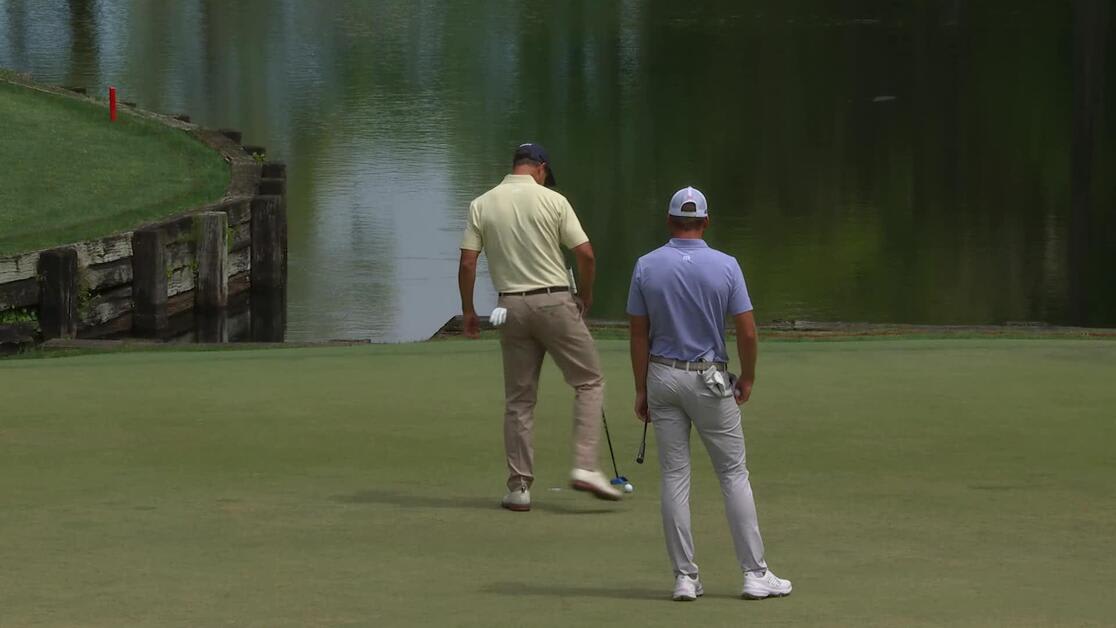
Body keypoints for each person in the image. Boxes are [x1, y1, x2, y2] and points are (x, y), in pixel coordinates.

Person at [626, 186, 791, 601]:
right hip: (709, 378)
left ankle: (685, 577)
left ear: (669, 222)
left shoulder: (646, 265)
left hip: (662, 376)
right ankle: (755, 573)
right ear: (705, 222)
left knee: (675, 477)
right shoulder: (727, 266)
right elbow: (748, 331)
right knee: (733, 475)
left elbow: (638, 333)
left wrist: (640, 386)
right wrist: (748, 378)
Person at [458, 143, 622, 512]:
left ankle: (518, 489)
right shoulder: (553, 200)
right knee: (589, 380)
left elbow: (468, 262)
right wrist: (588, 296)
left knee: (519, 400)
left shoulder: (481, 203)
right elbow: (586, 254)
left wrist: (468, 310)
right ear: (542, 169)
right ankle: (584, 465)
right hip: (553, 301)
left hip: (509, 308)